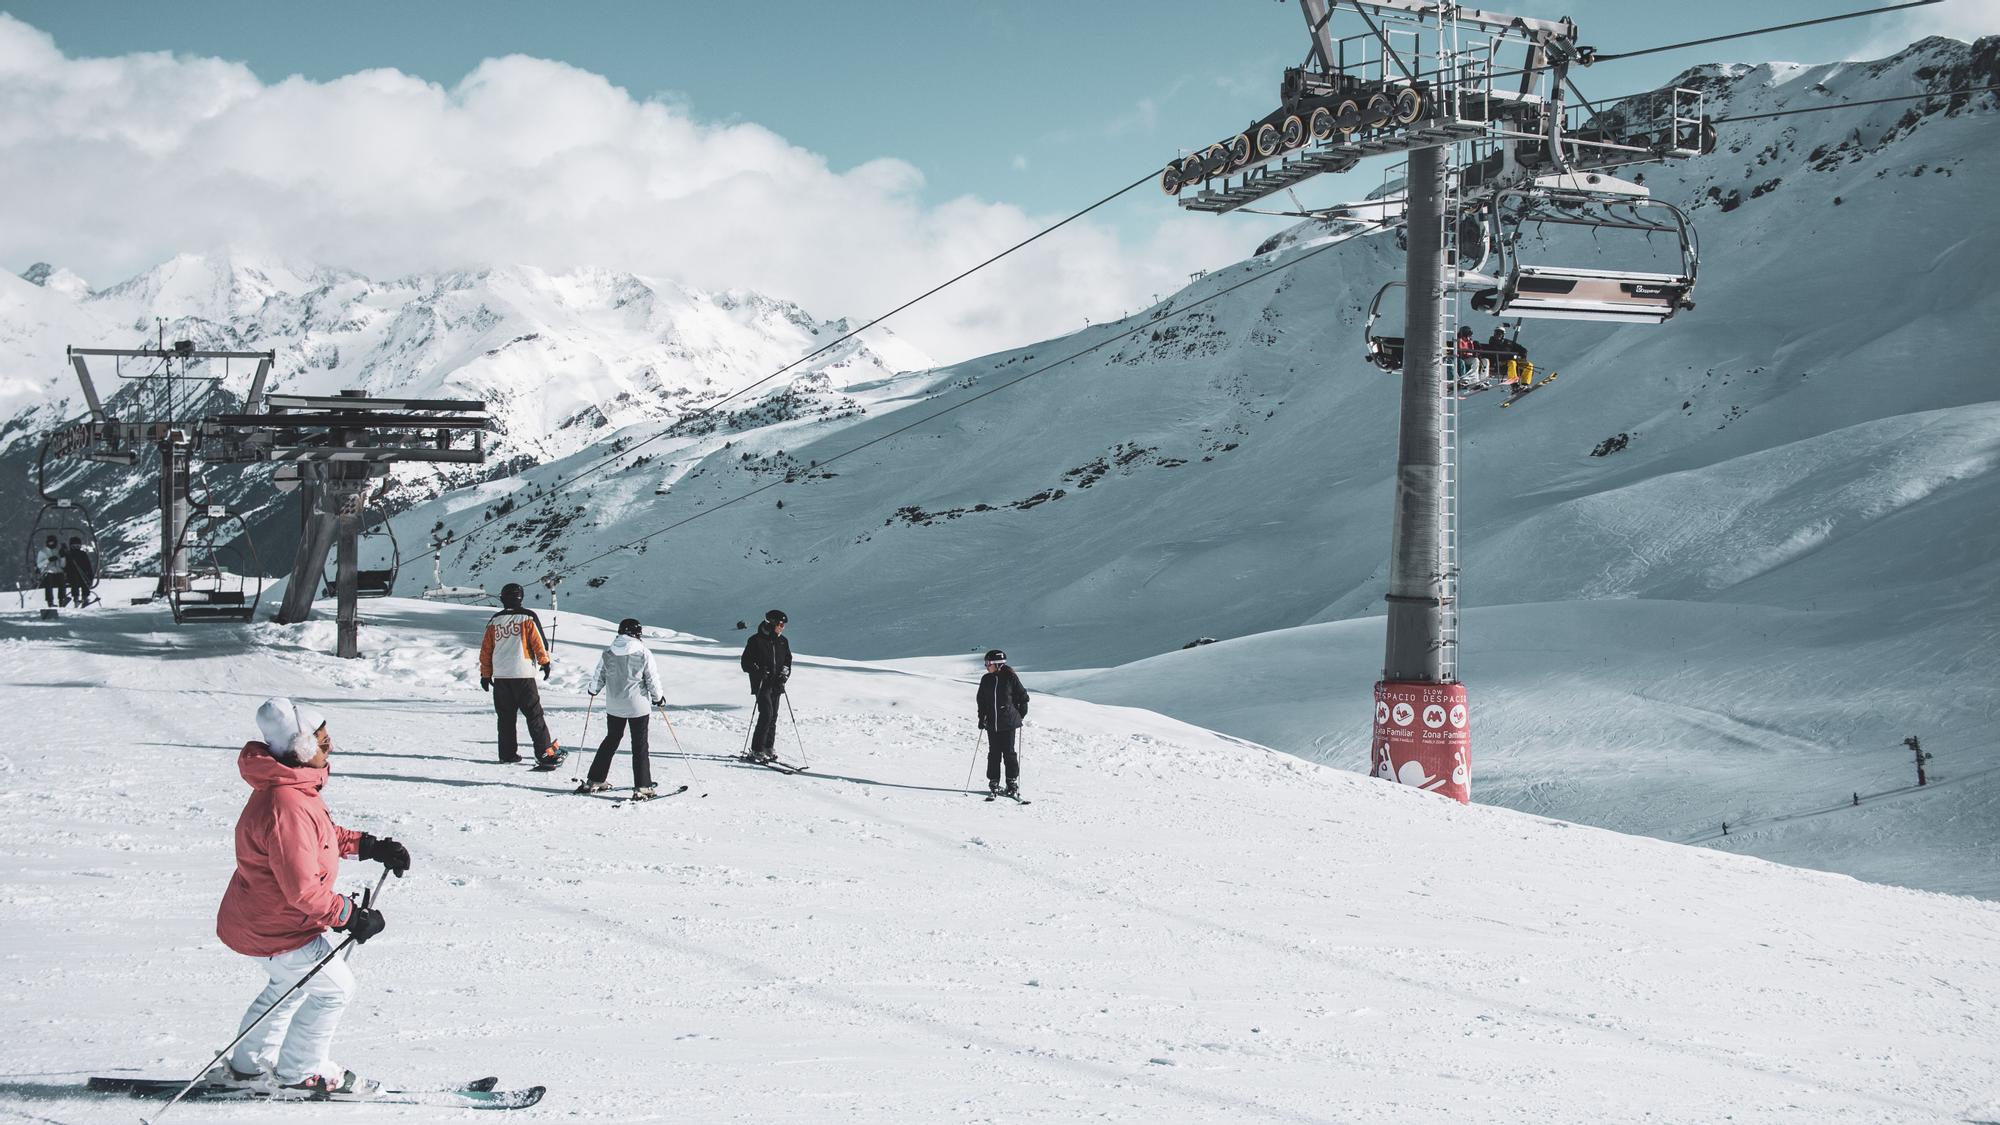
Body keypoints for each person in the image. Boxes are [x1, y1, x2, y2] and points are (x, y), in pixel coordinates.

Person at [212, 697, 410, 1096]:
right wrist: (351, 916)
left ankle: (248, 1065)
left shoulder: (291, 789)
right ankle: (300, 1073)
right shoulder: (286, 803)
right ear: (301, 748)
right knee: (336, 990)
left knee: (293, 986)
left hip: (261, 920)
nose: (330, 744)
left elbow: (320, 839)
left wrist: (369, 846)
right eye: (321, 739)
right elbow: (303, 889)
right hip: (277, 928)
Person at [479, 582, 562, 768]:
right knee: (534, 715)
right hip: (523, 673)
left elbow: (486, 649)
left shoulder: (494, 621)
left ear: (502, 598)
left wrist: (485, 674)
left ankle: (507, 754)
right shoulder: (527, 617)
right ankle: (544, 753)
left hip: (501, 676)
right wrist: (545, 662)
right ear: (521, 597)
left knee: (506, 717)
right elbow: (539, 642)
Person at [581, 618, 664, 798]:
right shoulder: (643, 652)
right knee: (639, 744)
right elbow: (651, 678)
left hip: (614, 705)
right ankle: (642, 786)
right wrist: (658, 698)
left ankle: (595, 779)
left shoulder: (609, 652)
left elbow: (599, 675)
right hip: (638, 706)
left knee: (611, 740)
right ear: (637, 634)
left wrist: (593, 690)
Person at [739, 609, 791, 764]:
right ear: (772, 623)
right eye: (781, 624)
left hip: (776, 684)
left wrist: (784, 674)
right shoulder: (756, 640)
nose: (783, 627)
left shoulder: (783, 641)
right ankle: (756, 749)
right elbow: (746, 663)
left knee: (773, 716)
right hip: (762, 684)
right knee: (766, 714)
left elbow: (787, 661)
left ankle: (768, 747)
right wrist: (758, 670)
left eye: (784, 625)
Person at [976, 649, 1030, 799]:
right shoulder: (986, 679)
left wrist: (1019, 715)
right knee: (993, 753)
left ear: (998, 664)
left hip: (1008, 723)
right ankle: (994, 781)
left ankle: (1011, 782)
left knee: (1009, 753)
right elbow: (981, 700)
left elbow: (1023, 697)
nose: (986, 666)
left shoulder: (1010, 677)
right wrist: (982, 718)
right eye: (986, 663)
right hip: (992, 723)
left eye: (988, 663)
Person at [63, 535, 95, 608]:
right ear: (71, 546)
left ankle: (85, 597)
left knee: (85, 581)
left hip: (82, 573)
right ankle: (76, 599)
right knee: (75, 581)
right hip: (71, 574)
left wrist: (90, 574)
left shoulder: (83, 554)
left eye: (78, 545)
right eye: (74, 545)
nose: (76, 547)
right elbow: (65, 564)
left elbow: (88, 565)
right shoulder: (68, 554)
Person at [35, 534, 64, 608]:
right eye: (50, 542)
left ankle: (62, 599)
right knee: (48, 582)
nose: (52, 544)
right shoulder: (42, 552)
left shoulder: (58, 551)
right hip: (47, 571)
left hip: (58, 571)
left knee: (62, 580)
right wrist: (48, 560)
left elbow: (63, 565)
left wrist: (63, 557)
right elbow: (39, 565)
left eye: (53, 542)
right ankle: (50, 601)